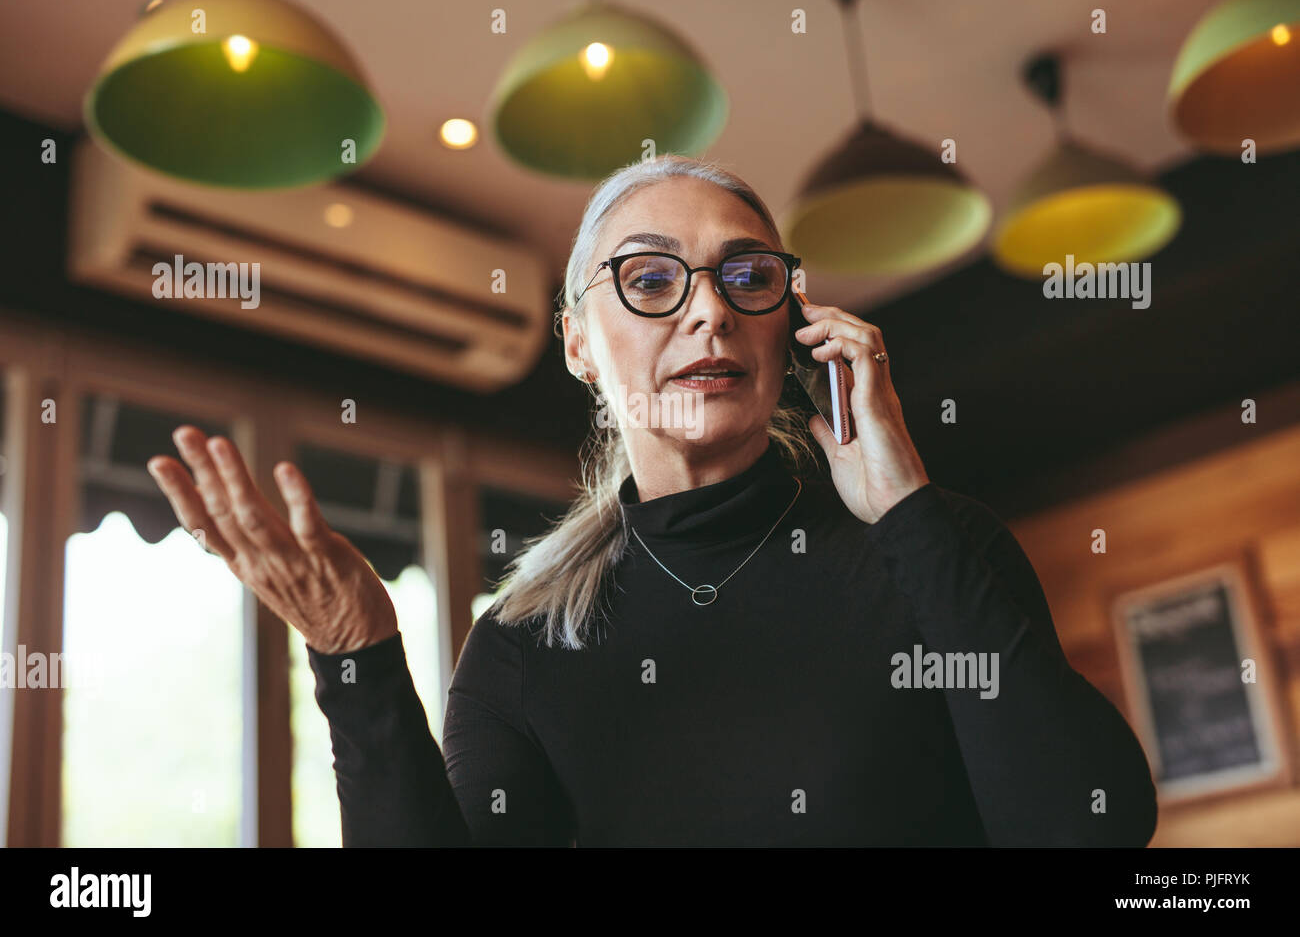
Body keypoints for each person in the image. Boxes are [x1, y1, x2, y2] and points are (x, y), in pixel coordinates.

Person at [147, 154, 1158, 847]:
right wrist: (357, 656)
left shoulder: (931, 546)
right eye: (649, 279)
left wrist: (907, 510)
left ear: (788, 326)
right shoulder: (524, 644)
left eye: (746, 275)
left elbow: (1089, 823)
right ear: (580, 343)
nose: (709, 307)